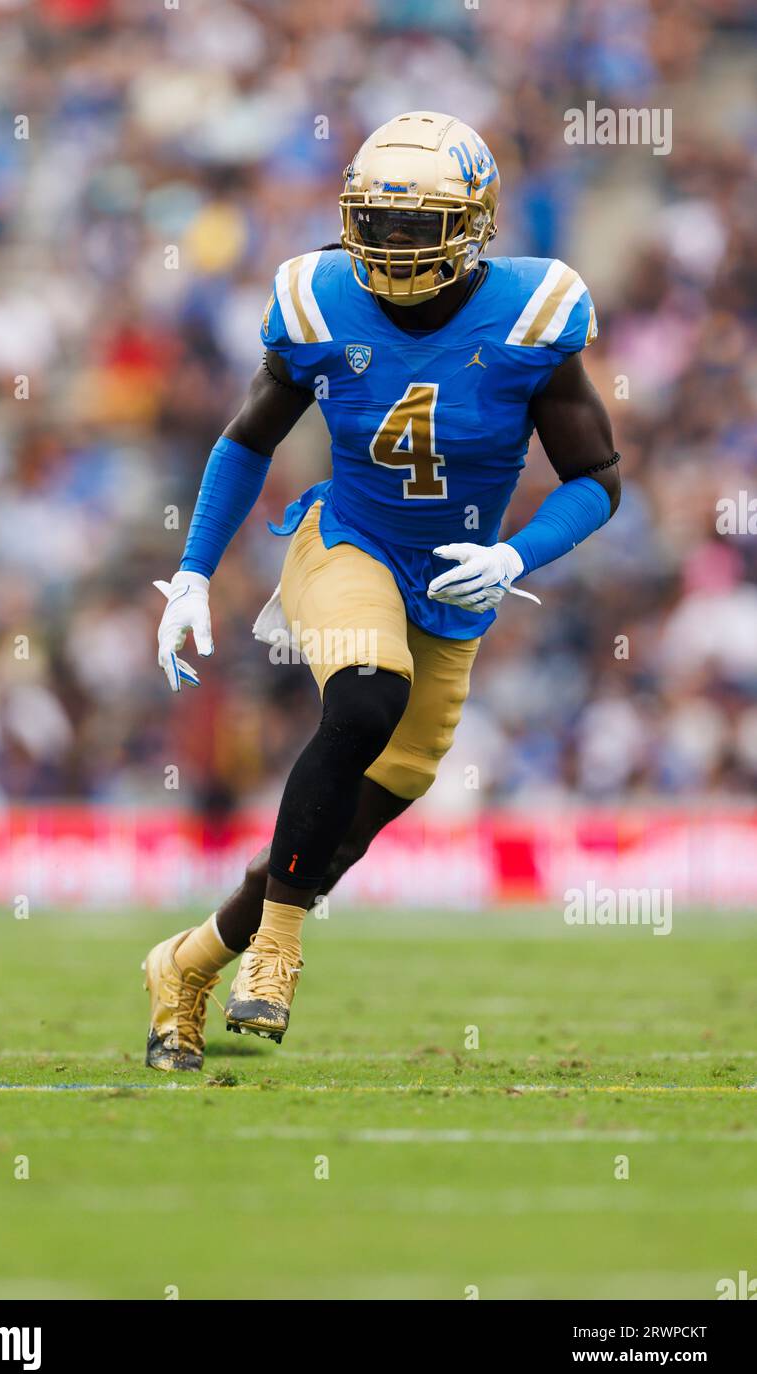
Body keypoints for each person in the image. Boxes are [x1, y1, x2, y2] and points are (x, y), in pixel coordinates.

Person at [143, 111, 620, 1071]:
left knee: (351, 823)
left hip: (457, 584)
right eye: (380, 222)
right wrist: (193, 568)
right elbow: (248, 438)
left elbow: (596, 477)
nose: (395, 245)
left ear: (476, 222)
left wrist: (519, 555)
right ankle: (275, 956)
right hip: (347, 539)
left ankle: (187, 963)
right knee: (365, 695)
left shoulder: (532, 313)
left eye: (420, 225)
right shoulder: (318, 300)